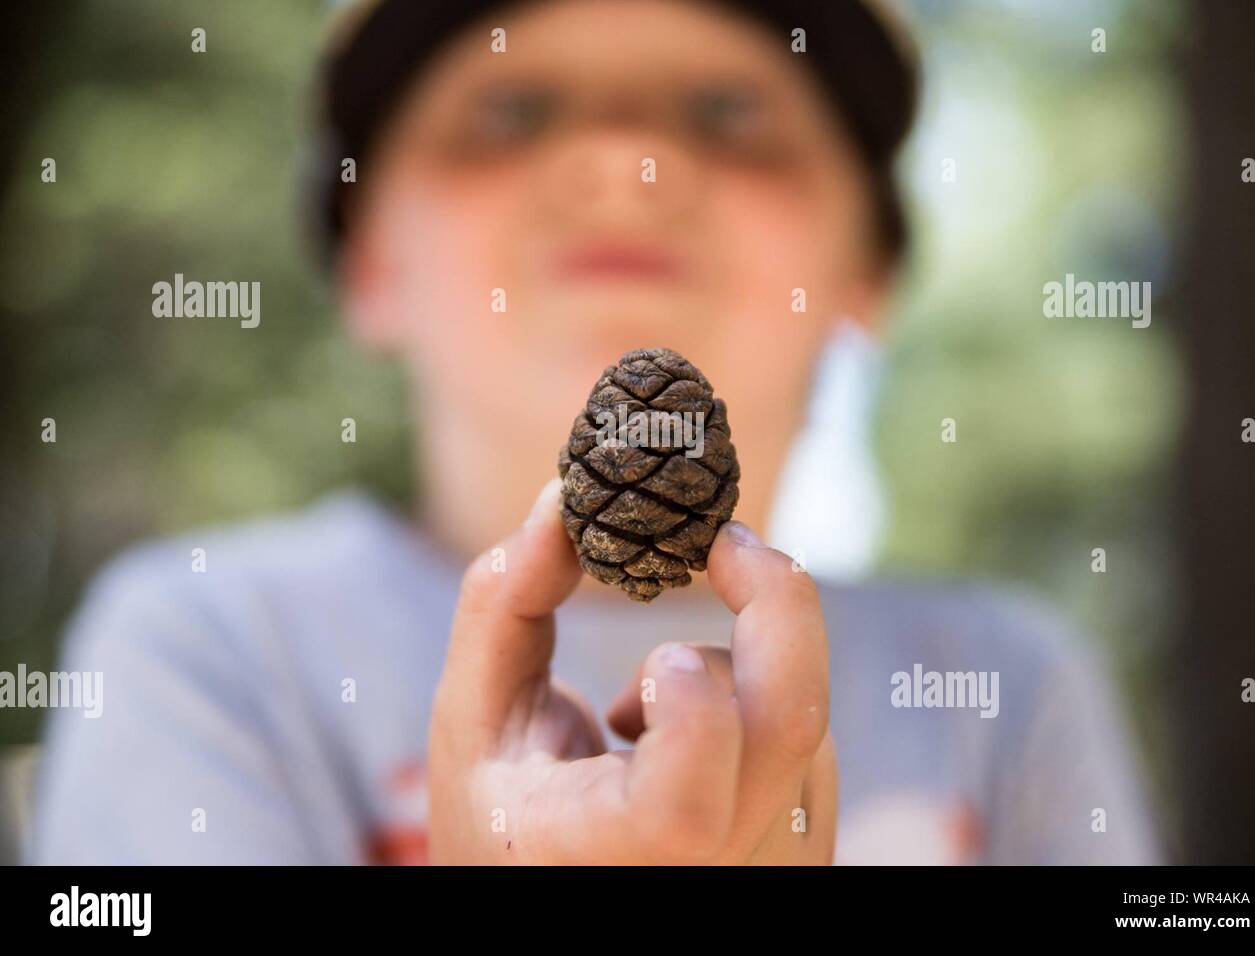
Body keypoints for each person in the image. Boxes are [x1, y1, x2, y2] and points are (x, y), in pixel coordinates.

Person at [29, 0, 1160, 864]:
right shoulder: (206, 649)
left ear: (869, 267)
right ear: (369, 261)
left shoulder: (1007, 688)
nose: (626, 161)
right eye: (512, 110)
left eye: (728, 111)